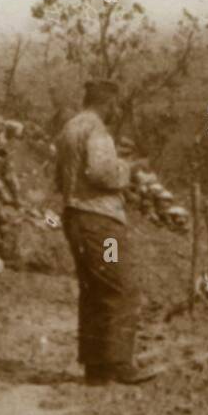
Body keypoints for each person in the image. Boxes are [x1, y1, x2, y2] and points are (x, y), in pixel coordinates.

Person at [55, 78, 155, 386]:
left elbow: (60, 178)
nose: (115, 111)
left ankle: (95, 366)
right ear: (108, 103)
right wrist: (129, 169)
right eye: (115, 105)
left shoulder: (69, 129)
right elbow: (101, 172)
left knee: (94, 291)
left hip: (76, 217)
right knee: (122, 288)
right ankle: (120, 362)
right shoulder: (96, 130)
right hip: (100, 222)